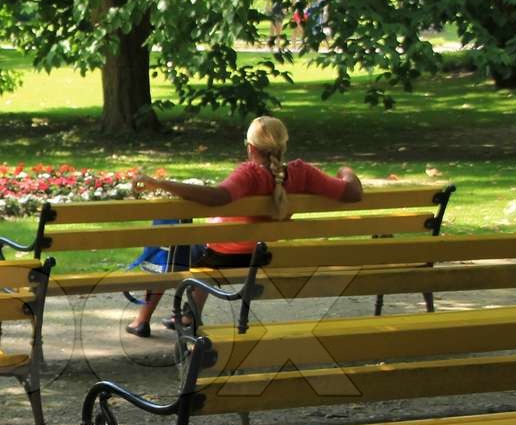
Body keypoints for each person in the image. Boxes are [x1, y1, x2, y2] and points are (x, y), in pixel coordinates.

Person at [124, 116, 362, 333]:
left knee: (170, 241)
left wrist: (161, 184)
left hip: (223, 255)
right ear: (283, 145)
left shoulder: (250, 174)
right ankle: (187, 317)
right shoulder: (302, 174)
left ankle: (141, 320)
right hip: (260, 255)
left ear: (250, 147)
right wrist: (345, 170)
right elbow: (352, 191)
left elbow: (219, 197)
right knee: (207, 246)